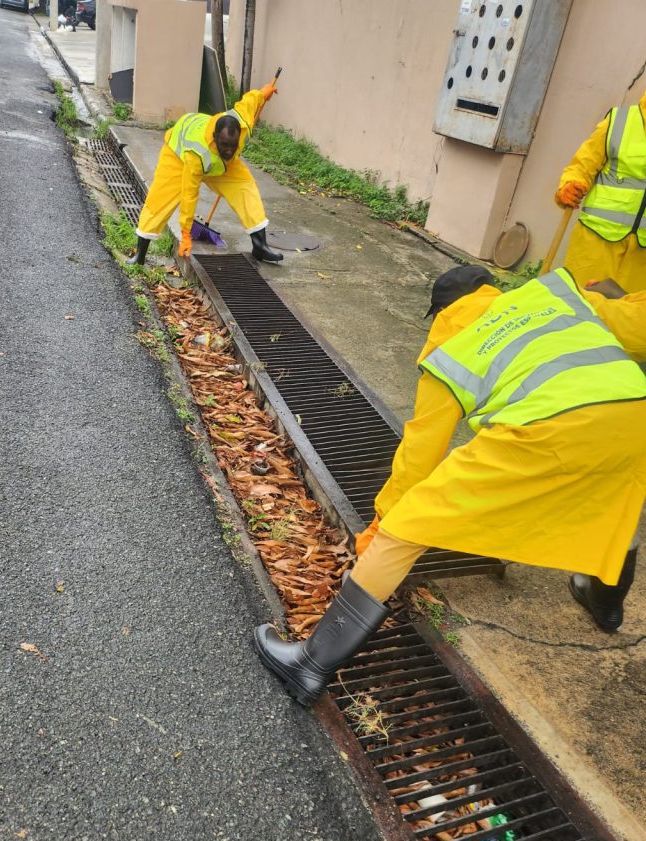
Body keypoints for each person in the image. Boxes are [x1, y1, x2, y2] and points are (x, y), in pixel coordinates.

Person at [254, 265, 646, 707]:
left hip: (547, 429)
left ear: (441, 310)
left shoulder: (448, 347)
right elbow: (638, 329)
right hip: (633, 416)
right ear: (489, 289)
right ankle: (605, 602)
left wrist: (384, 517)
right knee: (611, 502)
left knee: (406, 528)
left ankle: (308, 664)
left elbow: (421, 452)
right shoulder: (553, 296)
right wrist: (622, 297)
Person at [133, 79, 283, 266]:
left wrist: (264, 92)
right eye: (225, 145)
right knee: (160, 200)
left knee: (245, 187)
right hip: (178, 156)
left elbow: (249, 101)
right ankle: (139, 255)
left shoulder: (242, 122)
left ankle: (260, 246)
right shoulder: (197, 154)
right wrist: (186, 233)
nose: (229, 151)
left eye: (233, 146)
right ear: (214, 139)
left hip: (219, 164)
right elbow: (190, 194)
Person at [555, 92, 646, 292]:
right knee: (576, 304)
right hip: (596, 242)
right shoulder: (619, 121)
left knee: (627, 318)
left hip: (641, 260)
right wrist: (569, 186)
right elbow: (582, 166)